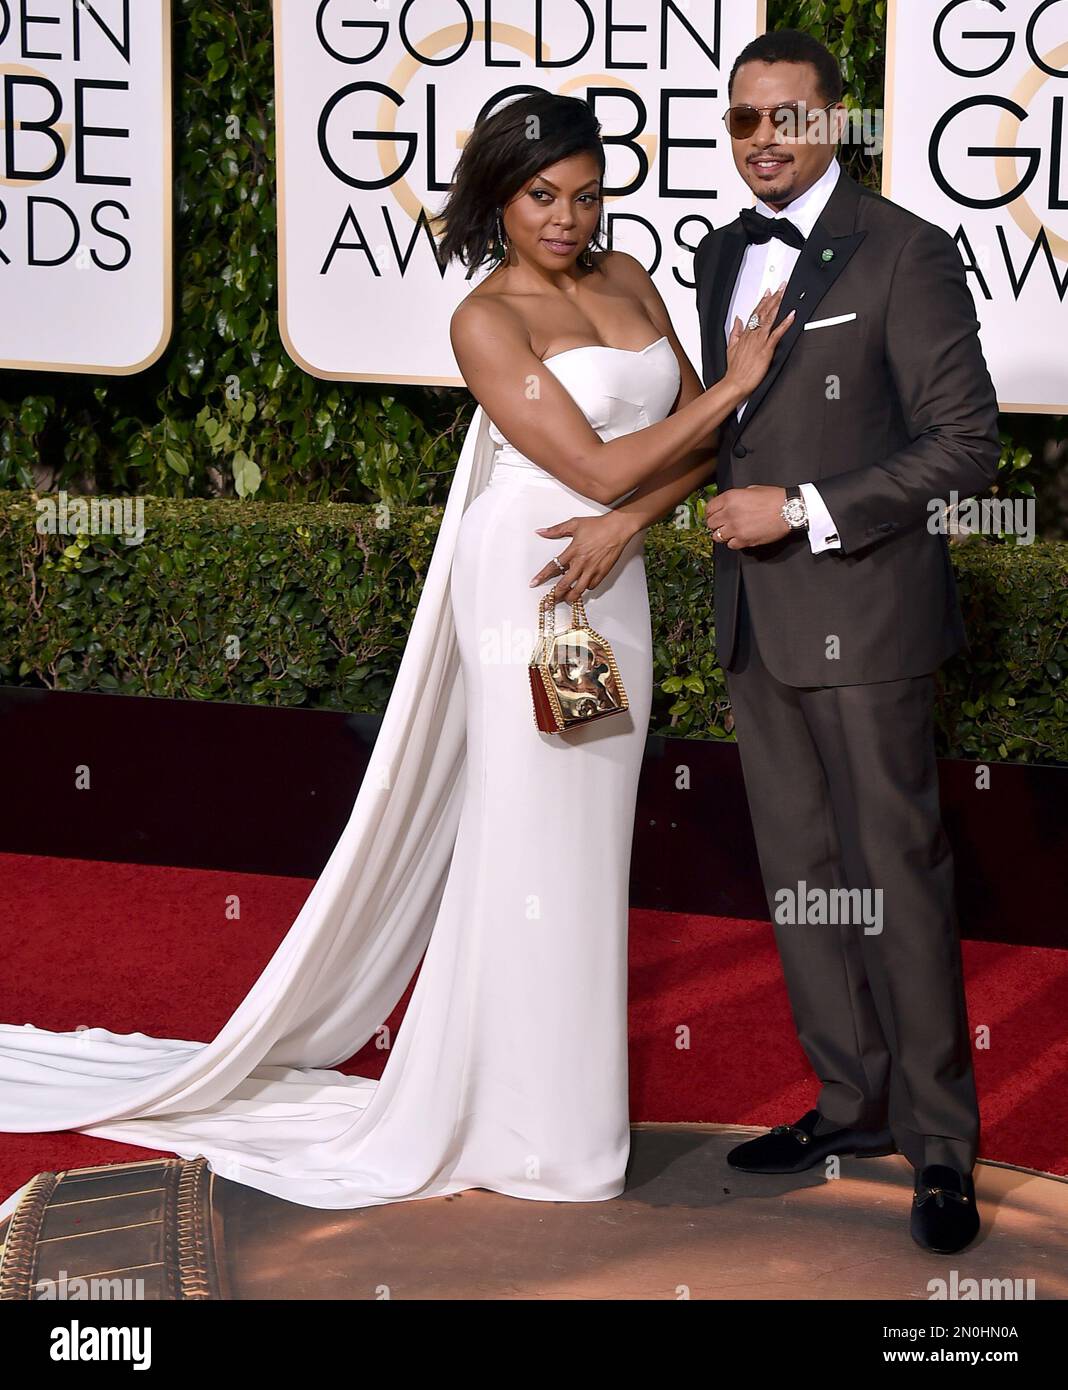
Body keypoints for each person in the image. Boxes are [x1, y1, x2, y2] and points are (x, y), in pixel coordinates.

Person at [0, 92, 789, 1223]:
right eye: (541, 197)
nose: (567, 218)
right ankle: (520, 1125)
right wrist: (721, 397)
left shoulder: (627, 280)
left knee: (588, 838)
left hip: (608, 578)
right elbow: (602, 464)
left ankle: (552, 1111)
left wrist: (630, 522)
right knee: (533, 837)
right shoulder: (486, 319)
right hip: (530, 579)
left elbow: (682, 458)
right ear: (499, 200)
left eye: (586, 194)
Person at [690, 30, 1000, 1255]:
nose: (762, 139)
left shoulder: (907, 250)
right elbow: (723, 429)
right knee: (805, 878)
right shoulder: (719, 253)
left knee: (898, 880)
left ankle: (939, 1144)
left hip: (863, 616)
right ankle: (845, 1104)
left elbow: (964, 442)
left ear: (833, 123)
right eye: (742, 121)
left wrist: (804, 512)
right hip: (755, 626)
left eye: (784, 117)